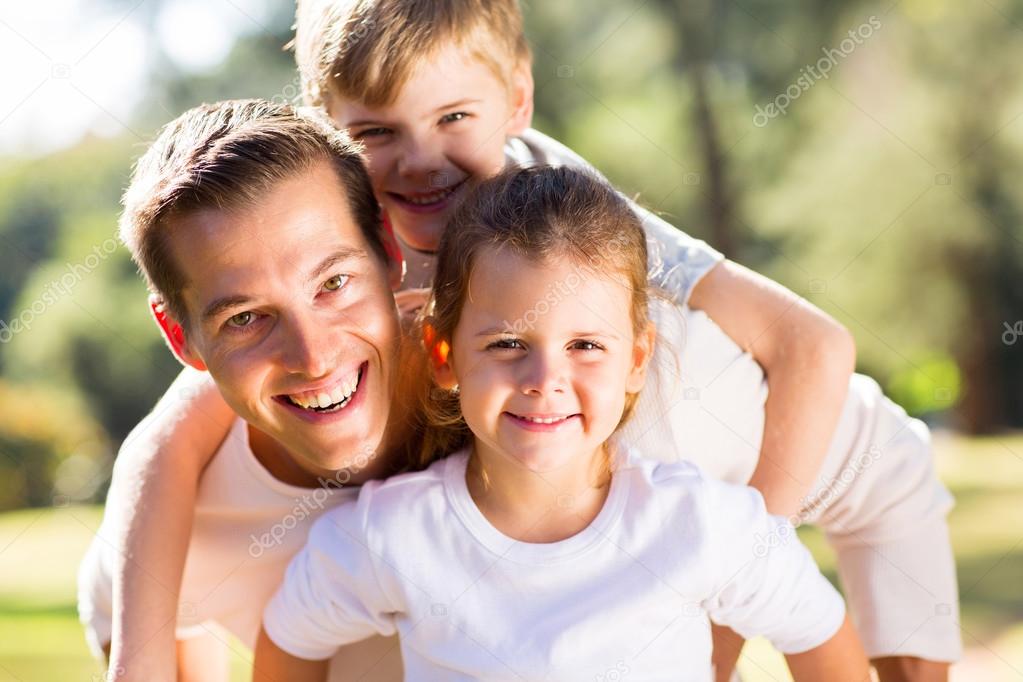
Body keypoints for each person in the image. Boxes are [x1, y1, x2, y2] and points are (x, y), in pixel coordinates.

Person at [105, 1, 960, 680]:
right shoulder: (361, 247)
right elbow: (172, 434)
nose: (420, 163)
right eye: (376, 134)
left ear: (515, 101)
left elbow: (812, 346)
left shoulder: (573, 233)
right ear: (330, 129)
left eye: (452, 119)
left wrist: (737, 581)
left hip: (850, 461)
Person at [253, 165, 872, 681]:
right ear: (446, 357)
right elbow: (290, 638)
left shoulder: (700, 524)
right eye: (506, 344)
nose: (544, 380)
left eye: (585, 346)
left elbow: (819, 631)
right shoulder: (393, 537)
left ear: (635, 359)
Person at [77, 99, 411, 681]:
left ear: (389, 251)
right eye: (246, 318)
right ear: (180, 337)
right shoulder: (183, 503)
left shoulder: (495, 369)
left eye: (333, 283)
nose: (313, 358)